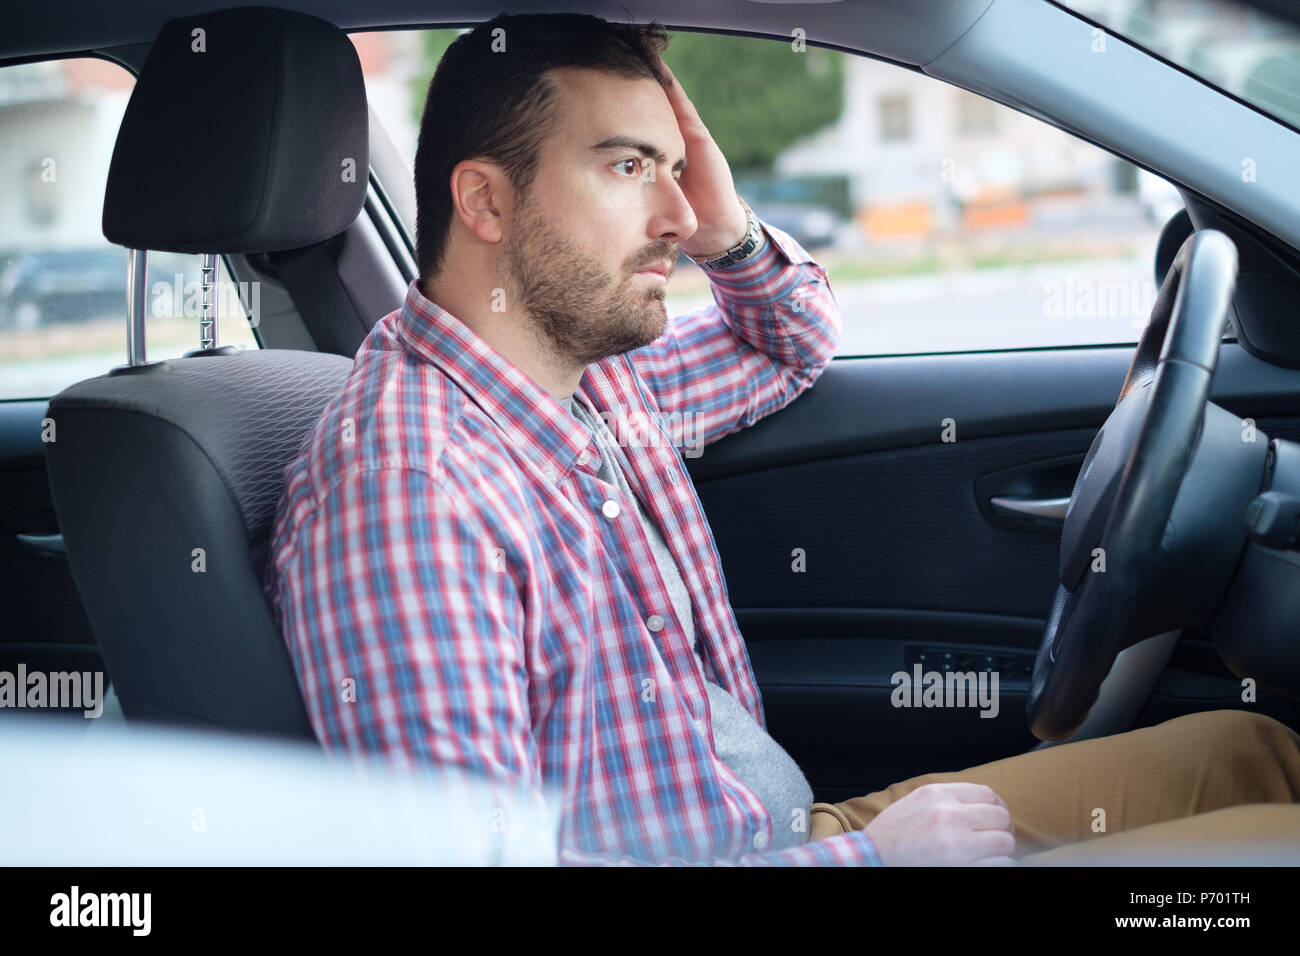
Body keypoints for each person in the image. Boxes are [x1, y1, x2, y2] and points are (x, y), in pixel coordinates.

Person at [263, 12, 1300, 865]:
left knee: (1261, 756)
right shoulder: (406, 491)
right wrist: (872, 859)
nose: (675, 211)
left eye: (679, 169)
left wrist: (724, 228)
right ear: (486, 199)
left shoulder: (589, 377)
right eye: (628, 168)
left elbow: (794, 337)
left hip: (780, 836)